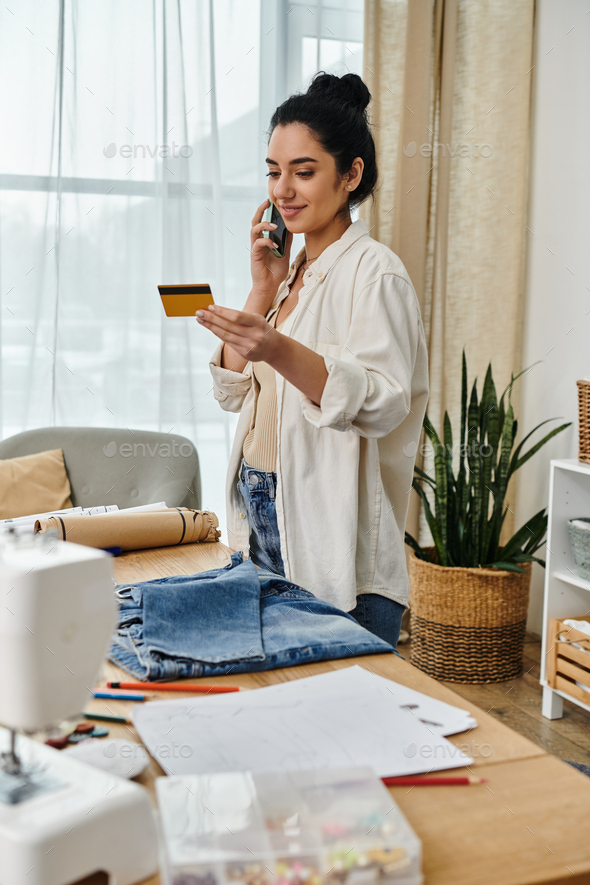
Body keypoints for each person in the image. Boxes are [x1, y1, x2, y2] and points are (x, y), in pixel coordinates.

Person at [197, 71, 429, 650]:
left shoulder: (376, 272)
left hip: (329, 526)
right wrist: (261, 288)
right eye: (273, 172)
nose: (283, 190)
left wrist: (276, 347)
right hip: (262, 507)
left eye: (304, 172)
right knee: (281, 697)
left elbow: (382, 403)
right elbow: (230, 394)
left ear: (351, 175)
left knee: (344, 709)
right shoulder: (288, 274)